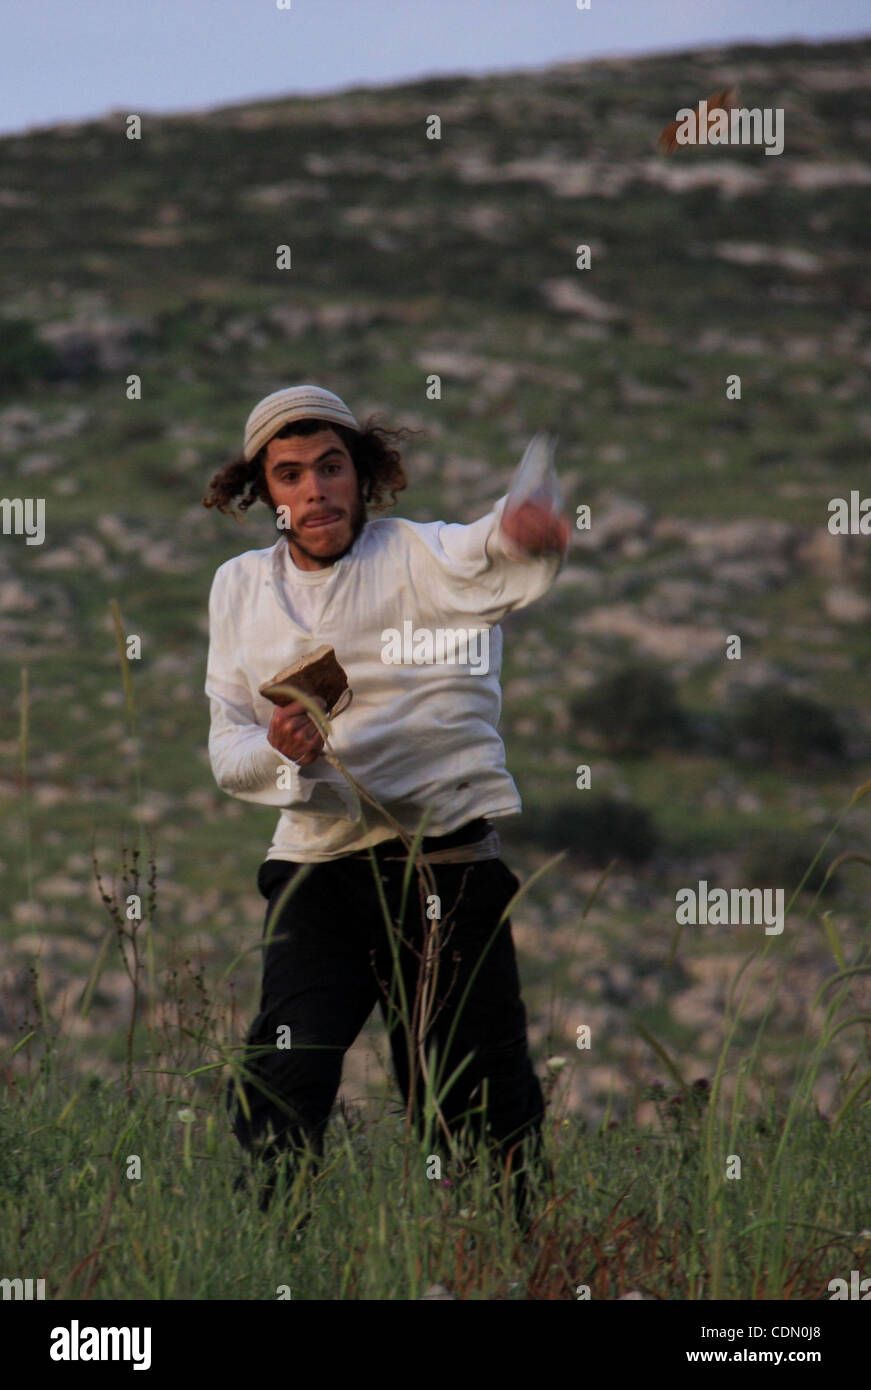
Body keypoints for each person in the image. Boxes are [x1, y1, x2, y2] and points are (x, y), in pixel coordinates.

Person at [201, 384, 569, 1230]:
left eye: (331, 467)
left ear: (363, 476)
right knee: (283, 1082)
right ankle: (270, 1261)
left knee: (473, 1099)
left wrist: (522, 527)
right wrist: (277, 749)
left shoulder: (417, 556)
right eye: (288, 475)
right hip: (316, 875)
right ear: (265, 494)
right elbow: (228, 747)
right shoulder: (239, 590)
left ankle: (501, 1264)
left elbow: (487, 546)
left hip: (445, 873)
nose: (314, 490)